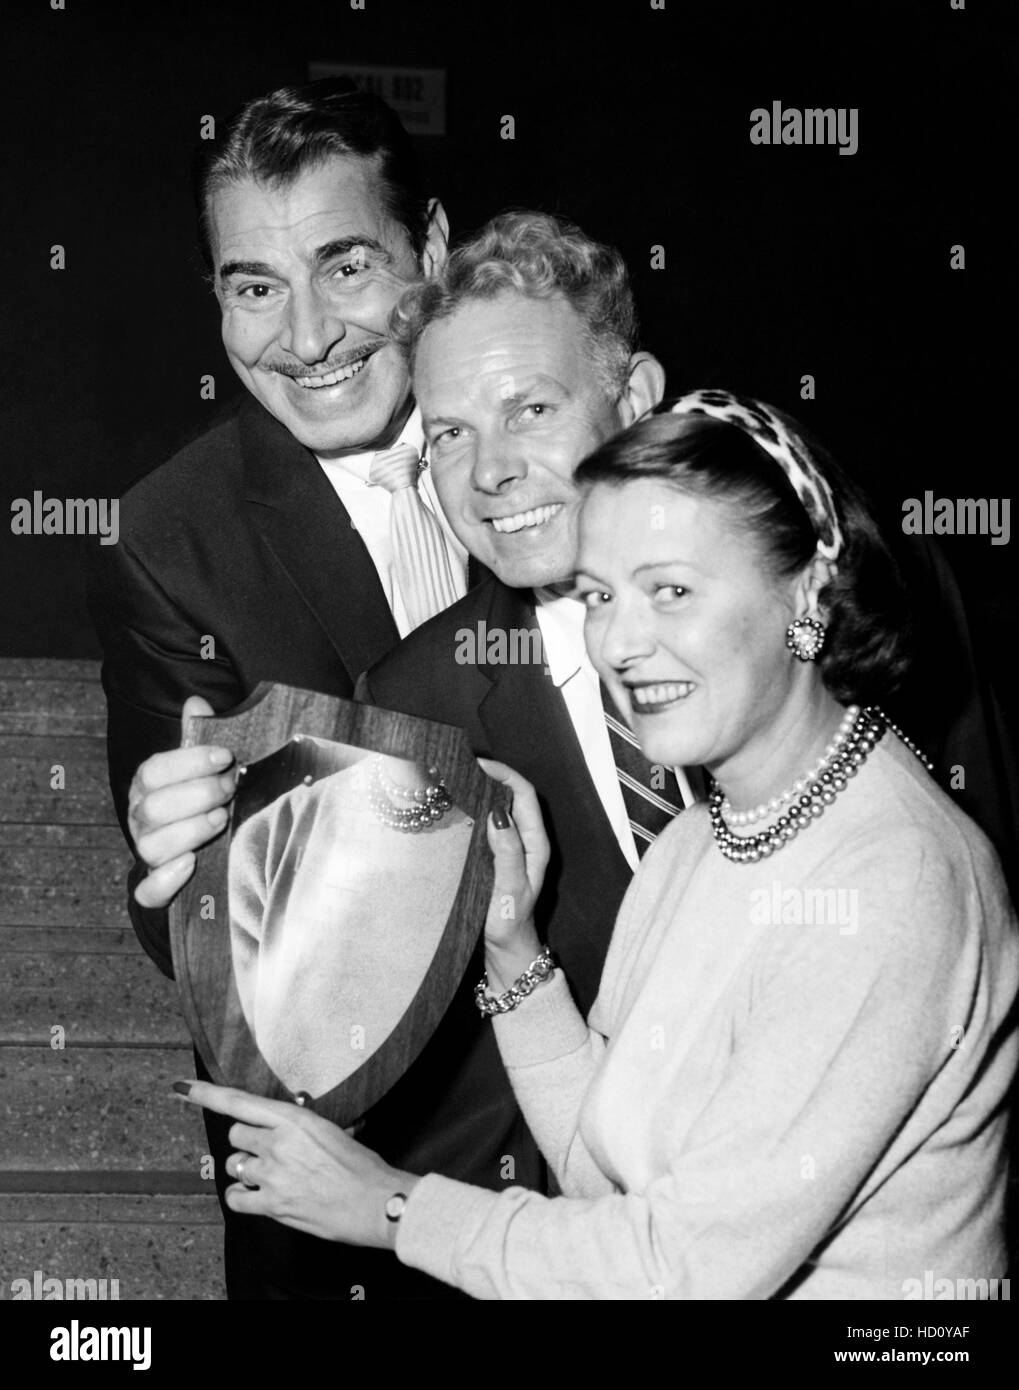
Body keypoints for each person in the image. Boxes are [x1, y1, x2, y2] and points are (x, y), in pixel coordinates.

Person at [178, 392, 1019, 1299]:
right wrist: (513, 950)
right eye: (598, 596)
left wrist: (391, 1207)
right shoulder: (701, 836)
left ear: (808, 593)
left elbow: (685, 1270)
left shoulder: (891, 876)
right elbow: (606, 1175)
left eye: (671, 591)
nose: (617, 642)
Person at [84, 76, 474, 1300]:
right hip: (347, 1162)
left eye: (346, 267)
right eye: (254, 287)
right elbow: (179, 923)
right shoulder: (171, 538)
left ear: (431, 250)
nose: (305, 338)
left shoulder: (566, 451)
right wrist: (185, 857)